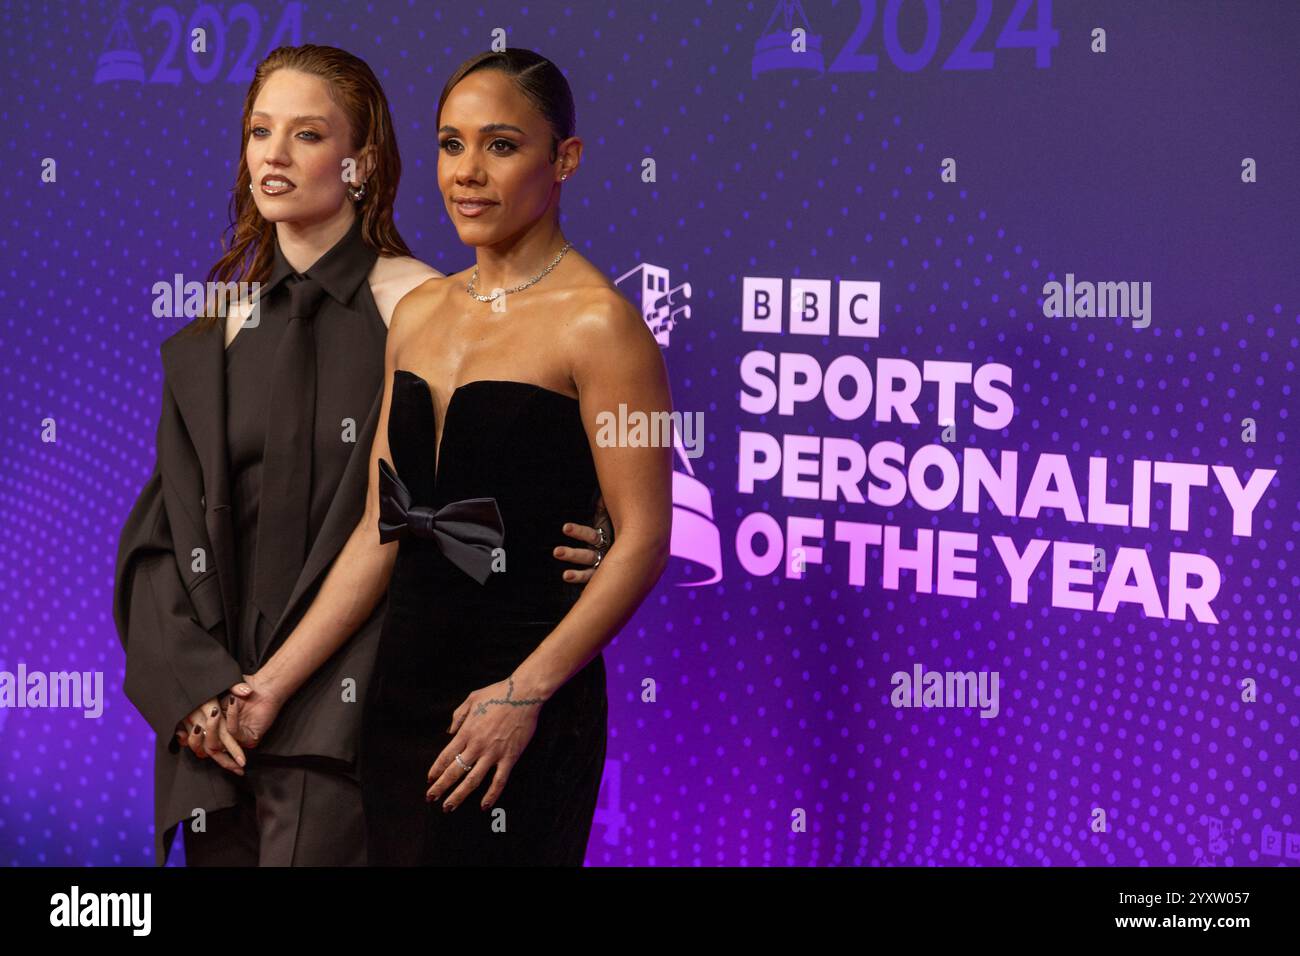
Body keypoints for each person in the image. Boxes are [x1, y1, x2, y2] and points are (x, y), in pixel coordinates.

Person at [112, 44, 607, 867]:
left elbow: (473, 477)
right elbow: (159, 539)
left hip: (354, 720)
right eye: (260, 131)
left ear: (361, 161)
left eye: (306, 134)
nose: (274, 154)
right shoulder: (214, 334)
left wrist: (602, 530)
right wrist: (198, 692)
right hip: (219, 732)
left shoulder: (424, 305)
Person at [225, 48, 673, 866]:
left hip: (522, 702)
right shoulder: (420, 312)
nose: (468, 172)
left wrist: (523, 693)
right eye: (451, 144)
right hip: (401, 695)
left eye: (501, 145)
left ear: (564, 159)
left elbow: (642, 541)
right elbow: (377, 530)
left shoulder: (600, 325)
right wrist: (268, 690)